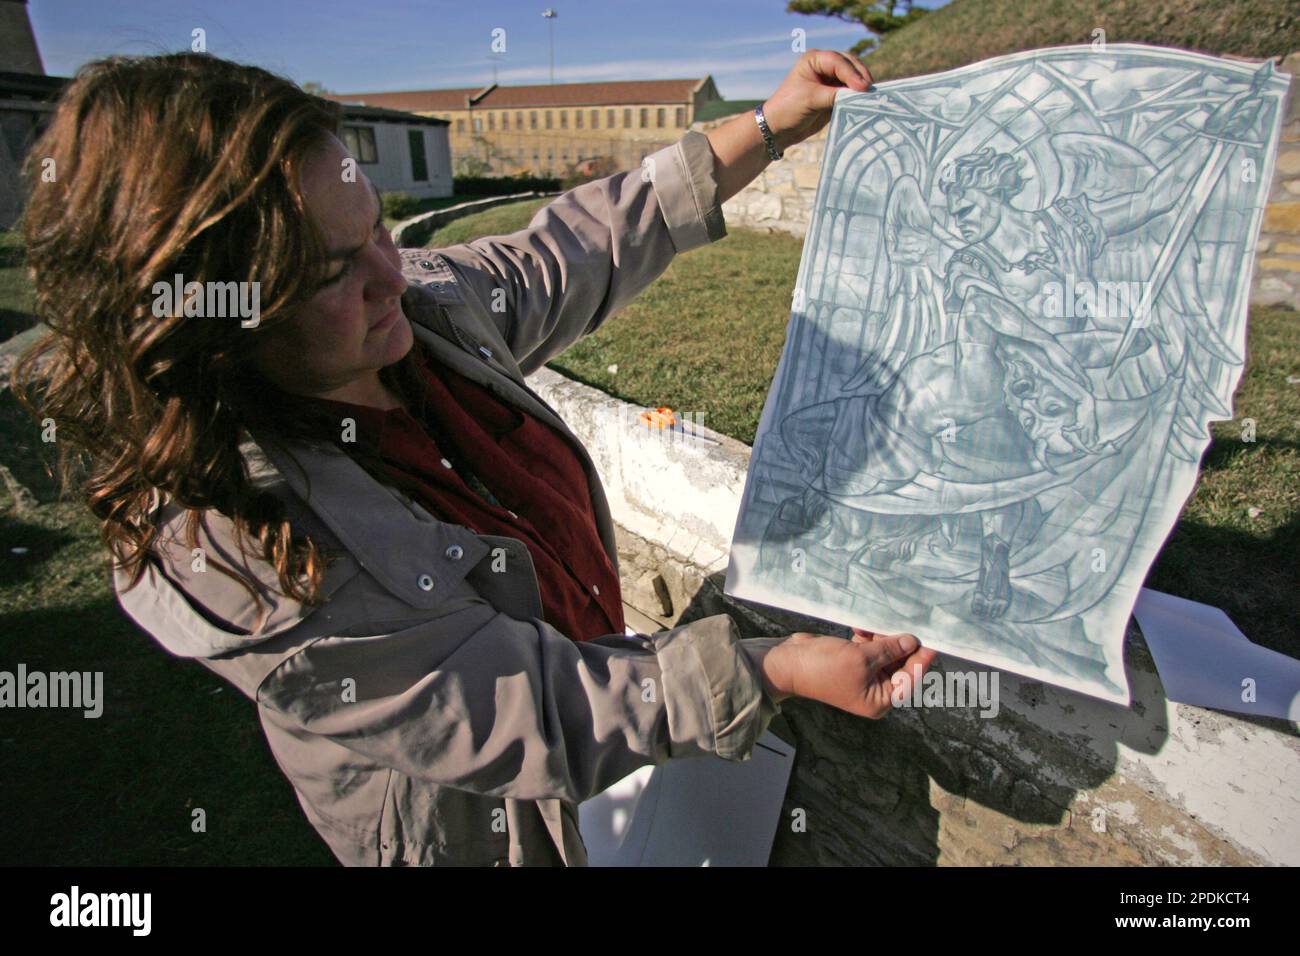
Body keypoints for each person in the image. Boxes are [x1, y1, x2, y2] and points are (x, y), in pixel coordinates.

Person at [10, 49, 937, 866]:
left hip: (598, 743)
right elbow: (532, 708)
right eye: (331, 271)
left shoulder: (415, 308)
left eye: (377, 224)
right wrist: (768, 672)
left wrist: (768, 128)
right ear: (214, 322)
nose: (387, 271)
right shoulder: (238, 550)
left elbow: (573, 247)